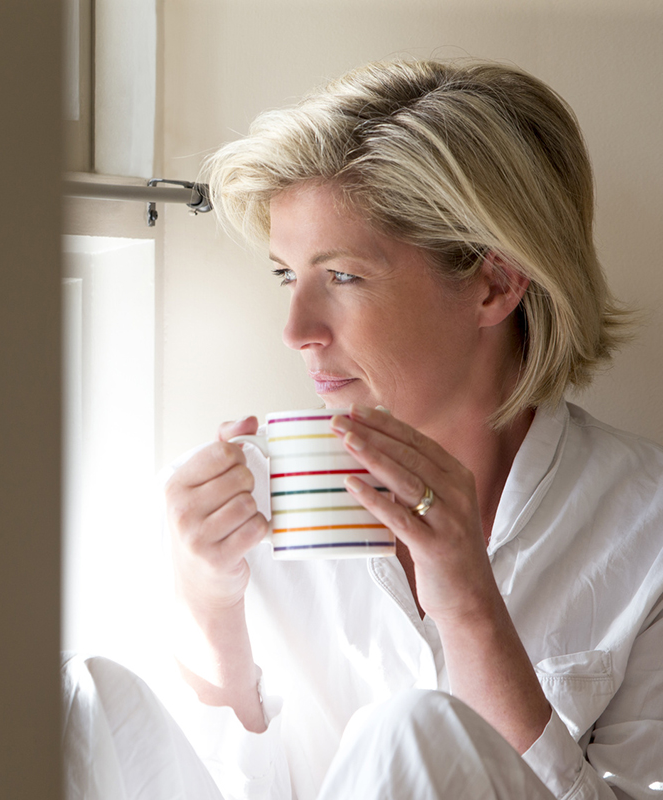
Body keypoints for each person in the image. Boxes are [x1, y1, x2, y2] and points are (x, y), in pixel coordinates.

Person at [64, 58, 663, 800]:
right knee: (76, 693)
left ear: (494, 284)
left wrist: (471, 607)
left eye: (342, 276)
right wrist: (208, 607)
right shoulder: (255, 503)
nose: (295, 330)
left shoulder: (647, 529)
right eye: (288, 275)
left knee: (409, 730)